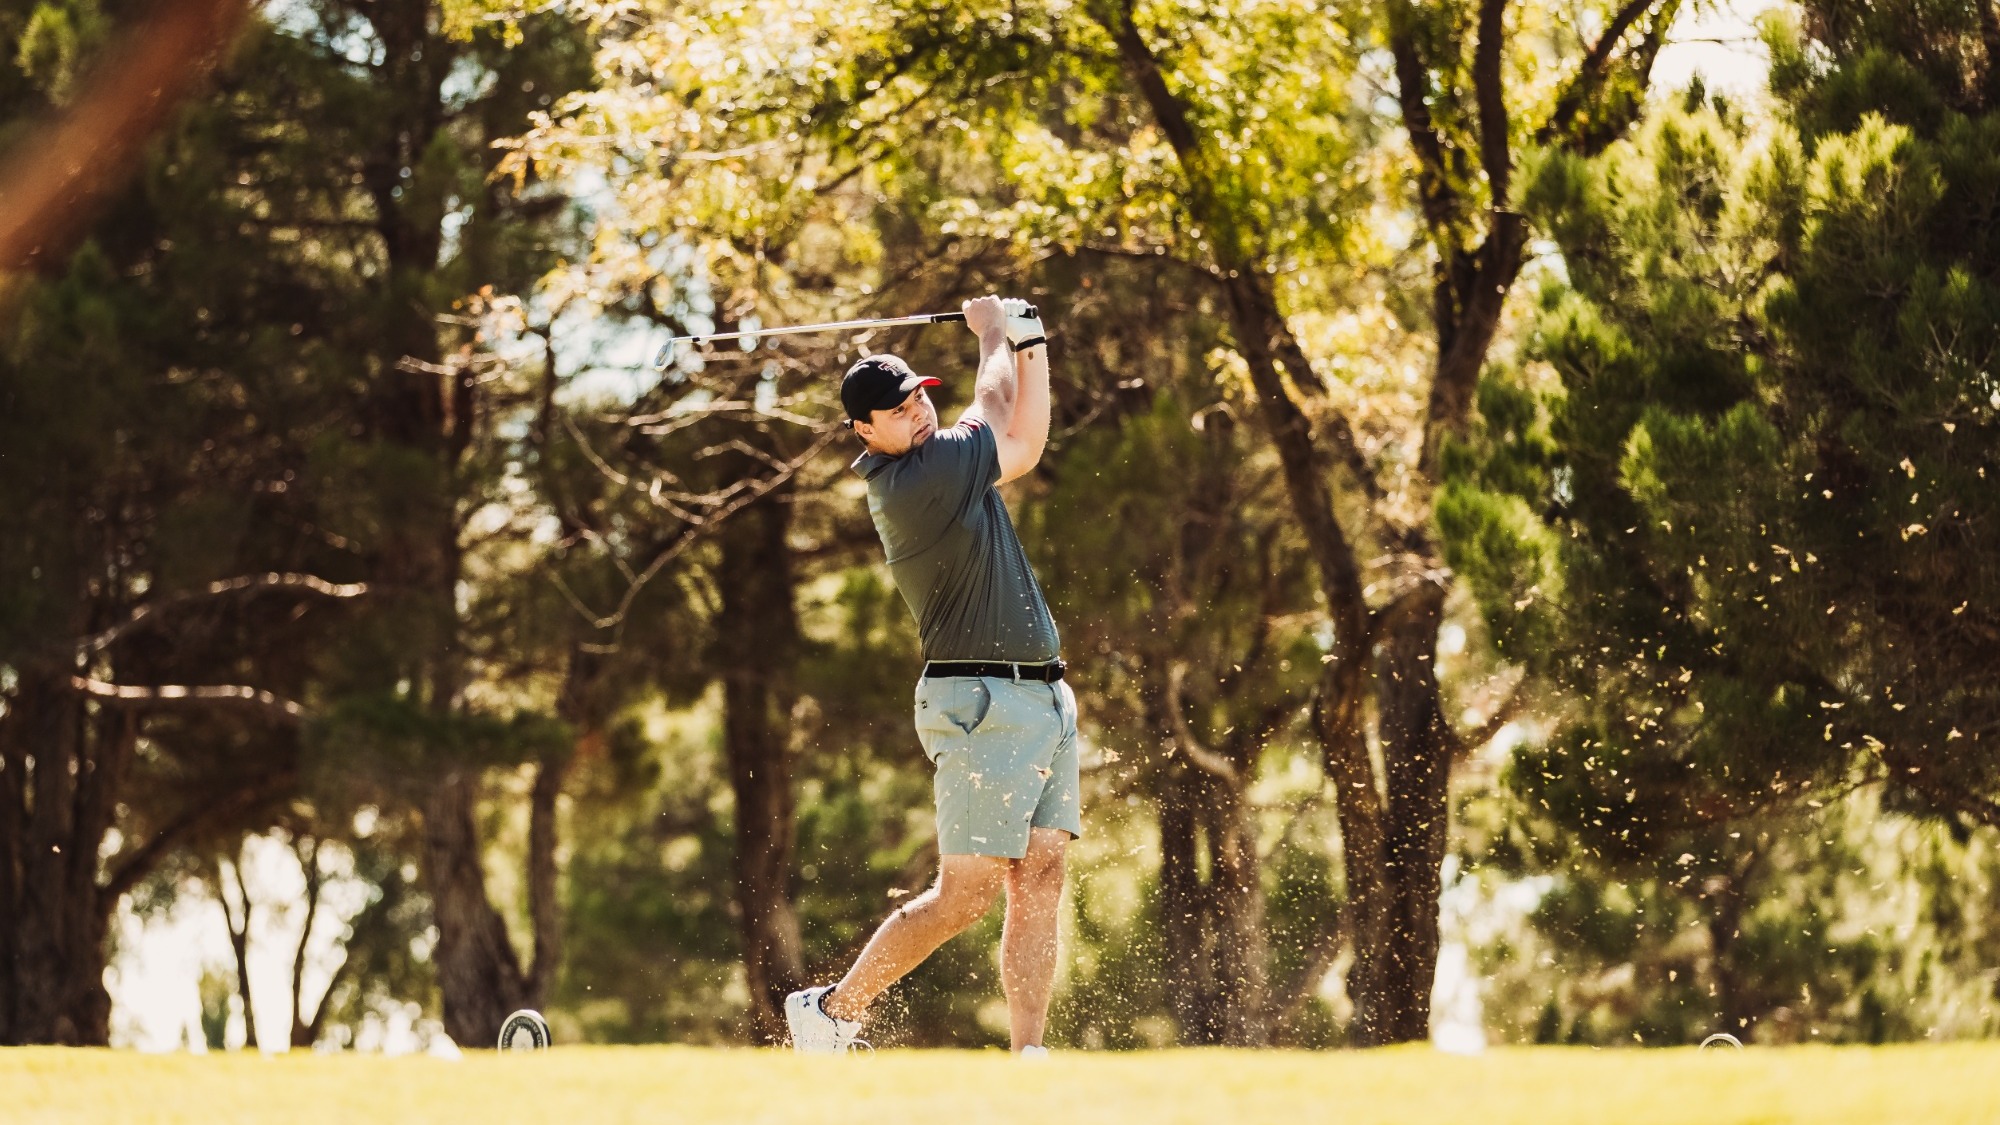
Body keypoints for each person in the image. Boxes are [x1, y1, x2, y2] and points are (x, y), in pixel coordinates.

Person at [785, 295, 1078, 1057]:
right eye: (895, 407)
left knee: (1040, 871)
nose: (915, 411)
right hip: (979, 699)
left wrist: (1022, 342)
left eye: (917, 395)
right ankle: (831, 1010)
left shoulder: (943, 458)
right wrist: (1003, 335)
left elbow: (1007, 419)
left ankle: (1029, 1055)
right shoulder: (917, 478)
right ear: (864, 431)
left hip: (1040, 693)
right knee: (970, 891)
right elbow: (1011, 417)